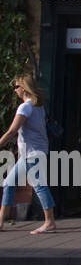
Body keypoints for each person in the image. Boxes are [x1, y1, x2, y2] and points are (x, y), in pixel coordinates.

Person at [0, 75, 56, 234]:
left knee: (39, 186)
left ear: (23, 88)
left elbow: (11, 131)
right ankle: (1, 222)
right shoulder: (38, 106)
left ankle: (50, 222)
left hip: (33, 153)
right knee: (9, 183)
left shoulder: (25, 107)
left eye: (16, 86)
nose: (15, 90)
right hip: (29, 153)